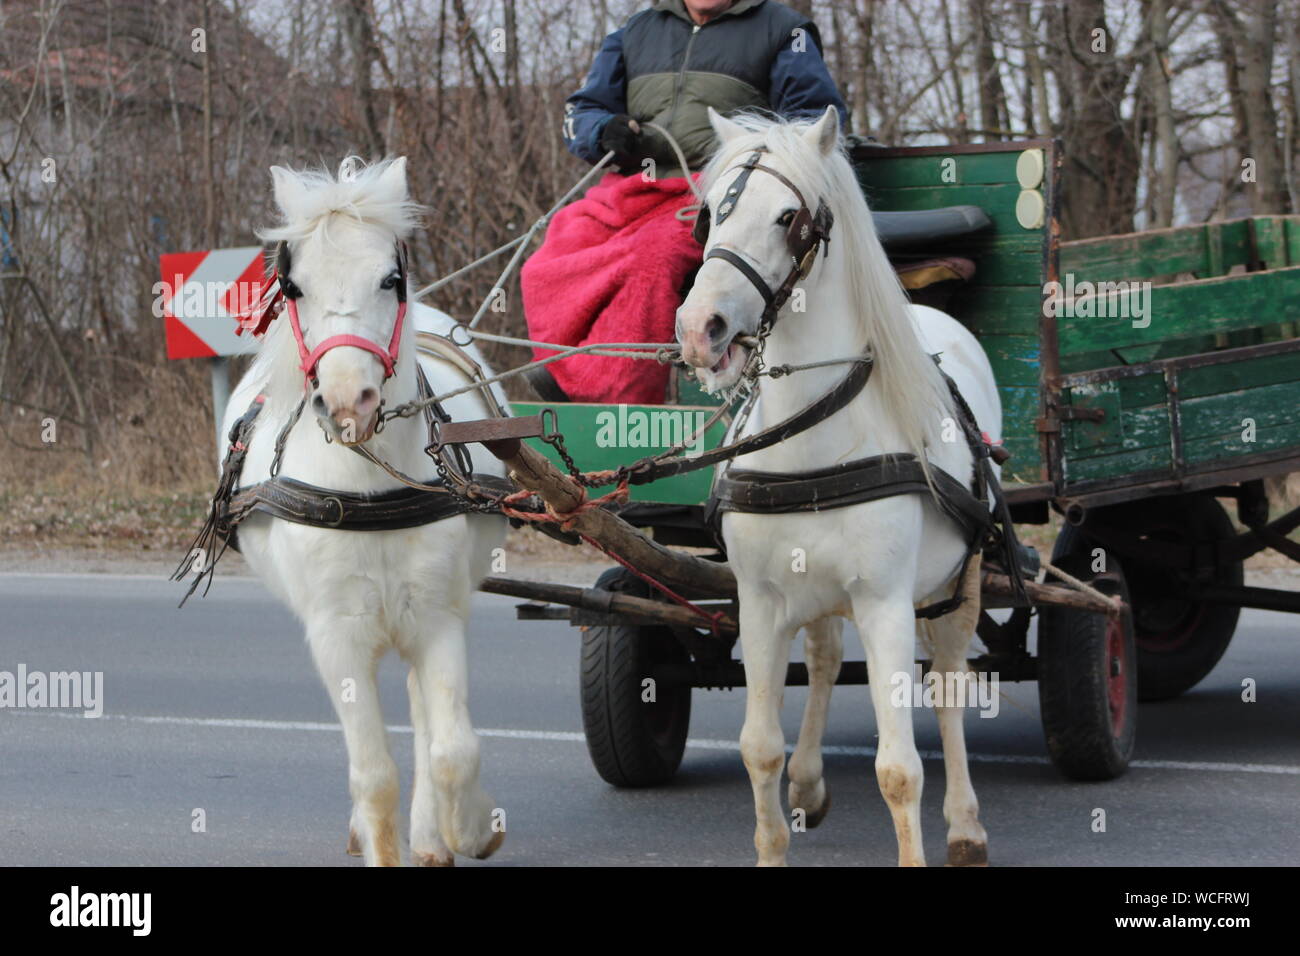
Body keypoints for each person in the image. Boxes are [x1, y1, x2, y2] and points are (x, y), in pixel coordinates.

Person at [520, 0, 847, 404]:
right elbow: (584, 108)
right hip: (634, 186)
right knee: (547, 262)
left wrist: (748, 155)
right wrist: (602, 130)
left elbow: (808, 123)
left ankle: (626, 399)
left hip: (721, 189)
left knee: (651, 259)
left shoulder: (783, 30)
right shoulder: (637, 30)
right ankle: (566, 375)